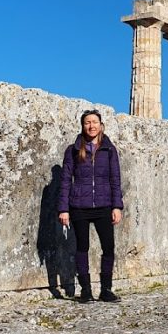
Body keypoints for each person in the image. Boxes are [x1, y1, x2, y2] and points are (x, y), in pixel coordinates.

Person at [58, 109, 124, 302]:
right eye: (87, 122)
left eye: (94, 122)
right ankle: (86, 290)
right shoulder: (72, 150)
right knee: (82, 247)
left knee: (109, 247)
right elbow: (64, 181)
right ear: (82, 125)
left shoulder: (109, 150)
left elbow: (115, 179)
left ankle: (106, 289)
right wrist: (63, 209)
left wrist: (116, 206)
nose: (91, 126)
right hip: (79, 206)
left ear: (101, 125)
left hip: (104, 205)